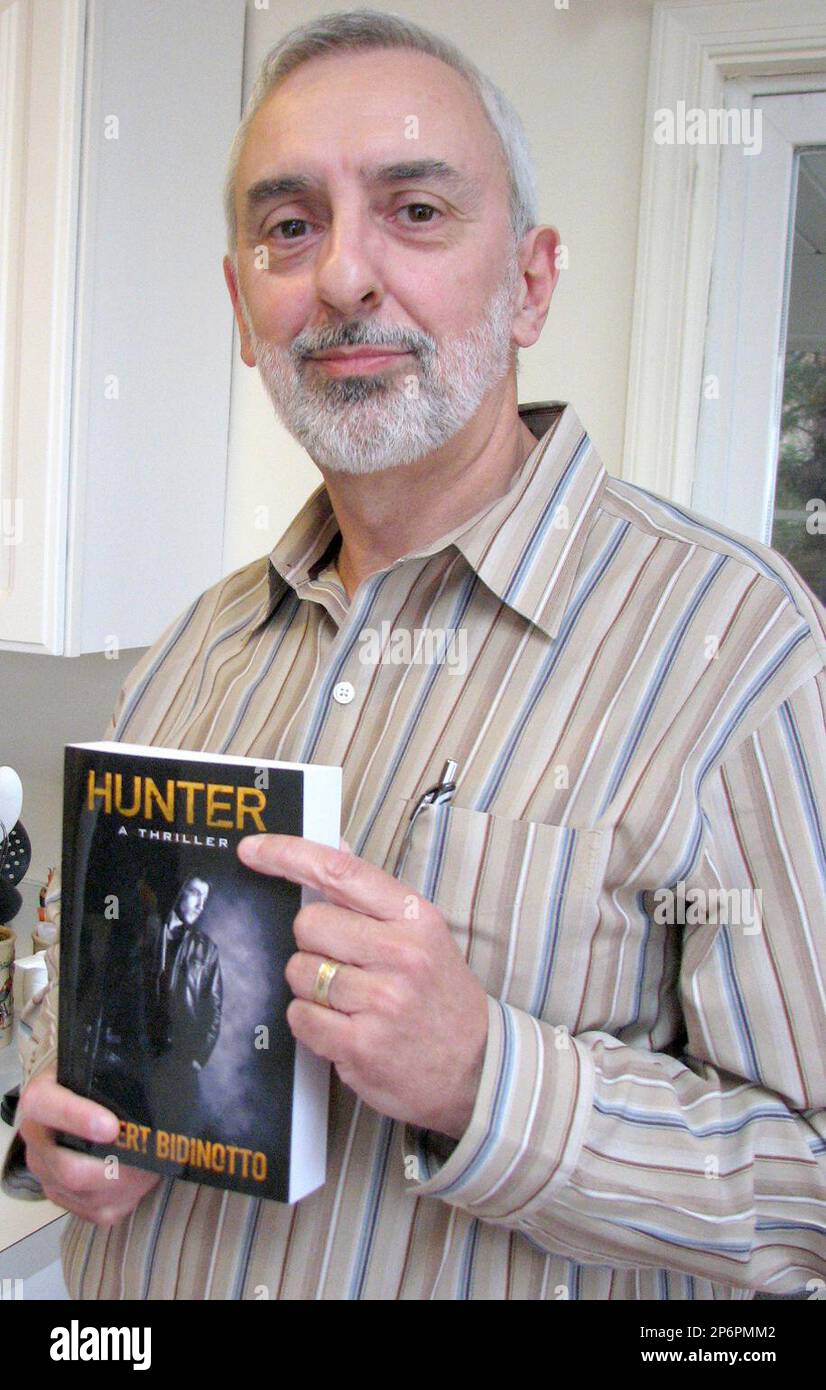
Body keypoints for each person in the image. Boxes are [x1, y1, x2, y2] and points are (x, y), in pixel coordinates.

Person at [4, 10, 825, 1300]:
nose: (341, 279)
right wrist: (73, 1123)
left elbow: (810, 1191)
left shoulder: (735, 645)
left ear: (533, 282)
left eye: (418, 211)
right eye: (289, 227)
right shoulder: (189, 652)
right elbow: (106, 1044)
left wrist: (486, 1077)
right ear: (241, 306)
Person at [141, 876, 222, 1134]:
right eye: (195, 894)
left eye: (204, 899)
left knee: (176, 1132)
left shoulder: (206, 949)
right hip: (140, 1050)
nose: (200, 905)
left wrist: (198, 1058)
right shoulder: (146, 931)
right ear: (178, 892)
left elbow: (214, 1009)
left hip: (179, 1058)